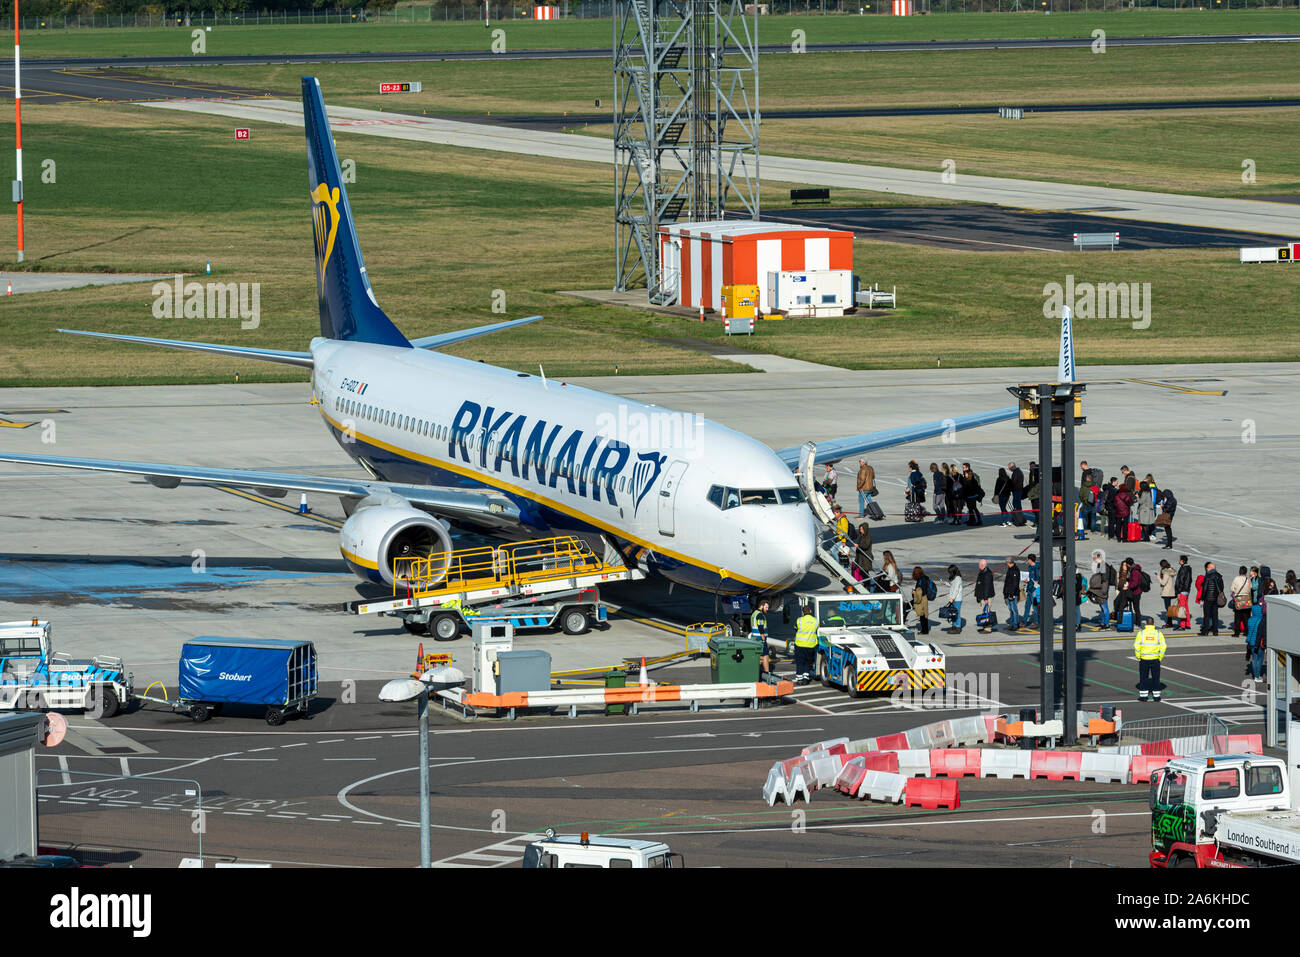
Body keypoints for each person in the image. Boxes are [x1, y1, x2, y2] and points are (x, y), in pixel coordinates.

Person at [1134, 617, 1167, 702]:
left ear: (1146, 624)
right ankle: (1156, 697)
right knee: (1156, 677)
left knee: (1143, 677)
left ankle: (1144, 697)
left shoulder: (1141, 633)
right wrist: (1160, 657)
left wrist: (1138, 656)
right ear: (1154, 624)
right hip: (1155, 659)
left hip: (1144, 659)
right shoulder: (1158, 633)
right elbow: (1163, 646)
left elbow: (1136, 646)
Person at [793, 604, 819, 685]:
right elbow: (816, 629)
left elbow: (795, 628)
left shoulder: (799, 620)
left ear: (803, 612)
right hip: (811, 645)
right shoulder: (815, 621)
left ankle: (799, 679)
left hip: (800, 645)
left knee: (800, 662)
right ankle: (805, 679)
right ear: (810, 611)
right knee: (808, 662)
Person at [1200, 561, 1225, 636]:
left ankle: (1205, 631)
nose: (1207, 569)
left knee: (1206, 615)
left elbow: (1204, 588)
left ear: (1210, 568)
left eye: (1207, 568)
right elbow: (1222, 587)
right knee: (1215, 615)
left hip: (1208, 598)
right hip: (1215, 599)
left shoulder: (1207, 576)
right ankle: (1215, 631)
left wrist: (1202, 598)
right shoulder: (1219, 576)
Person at [1089, 550, 1112, 629]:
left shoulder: (1103, 566)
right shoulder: (1100, 564)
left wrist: (1103, 592)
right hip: (1101, 589)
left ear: (1097, 557)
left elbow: (1105, 580)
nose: (1093, 559)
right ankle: (1103, 622)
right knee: (1102, 607)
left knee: (1104, 607)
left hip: (1103, 589)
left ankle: (1107, 624)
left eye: (1094, 557)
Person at [750, 599, 771, 674]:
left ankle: (755, 671)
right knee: (765, 655)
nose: (767, 609)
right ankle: (767, 672)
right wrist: (763, 637)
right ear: (761, 606)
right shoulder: (760, 615)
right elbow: (760, 626)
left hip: (754, 637)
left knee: (756, 655)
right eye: (766, 607)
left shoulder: (754, 613)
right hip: (760, 638)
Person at [1229, 565, 1251, 637]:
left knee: (1237, 616)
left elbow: (1232, 588)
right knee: (1246, 616)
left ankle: (1237, 632)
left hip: (1238, 599)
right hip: (1246, 598)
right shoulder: (1248, 579)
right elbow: (1250, 588)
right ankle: (1246, 631)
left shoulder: (1236, 579)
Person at [974, 558, 995, 632]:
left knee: (987, 612)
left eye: (979, 564)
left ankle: (987, 628)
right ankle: (985, 626)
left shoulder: (987, 574)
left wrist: (986, 598)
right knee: (984, 611)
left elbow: (987, 587)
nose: (978, 565)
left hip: (987, 596)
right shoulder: (983, 572)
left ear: (982, 565)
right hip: (983, 596)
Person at [944, 564, 964, 634]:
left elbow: (956, 590)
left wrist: (952, 598)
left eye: (950, 572)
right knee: (953, 613)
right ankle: (954, 626)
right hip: (953, 599)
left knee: (957, 613)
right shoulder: (955, 578)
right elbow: (952, 585)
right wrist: (945, 583)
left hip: (957, 599)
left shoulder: (958, 578)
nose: (949, 573)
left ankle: (958, 628)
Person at [911, 566, 932, 635]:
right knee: (923, 615)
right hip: (924, 598)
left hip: (921, 598)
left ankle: (924, 631)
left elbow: (920, 591)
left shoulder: (920, 580)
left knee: (922, 615)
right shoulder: (925, 578)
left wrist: (914, 592)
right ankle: (925, 630)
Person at [1003, 557, 1022, 631]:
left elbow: (1015, 584)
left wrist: (1011, 595)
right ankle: (1011, 623)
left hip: (1012, 593)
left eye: (1007, 563)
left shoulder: (1015, 570)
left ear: (1010, 562)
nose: (1007, 564)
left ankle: (1015, 624)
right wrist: (1005, 593)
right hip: (1008, 592)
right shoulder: (1010, 569)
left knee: (1014, 609)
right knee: (1010, 609)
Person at [1024, 554, 1040, 627]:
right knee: (1027, 606)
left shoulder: (1037, 568)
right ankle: (1024, 621)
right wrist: (1027, 581)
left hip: (1034, 590)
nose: (1027, 560)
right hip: (1029, 589)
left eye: (1028, 559)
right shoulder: (1030, 567)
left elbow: (1038, 580)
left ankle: (1036, 622)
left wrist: (1035, 583)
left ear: (1030, 560)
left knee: (1035, 607)